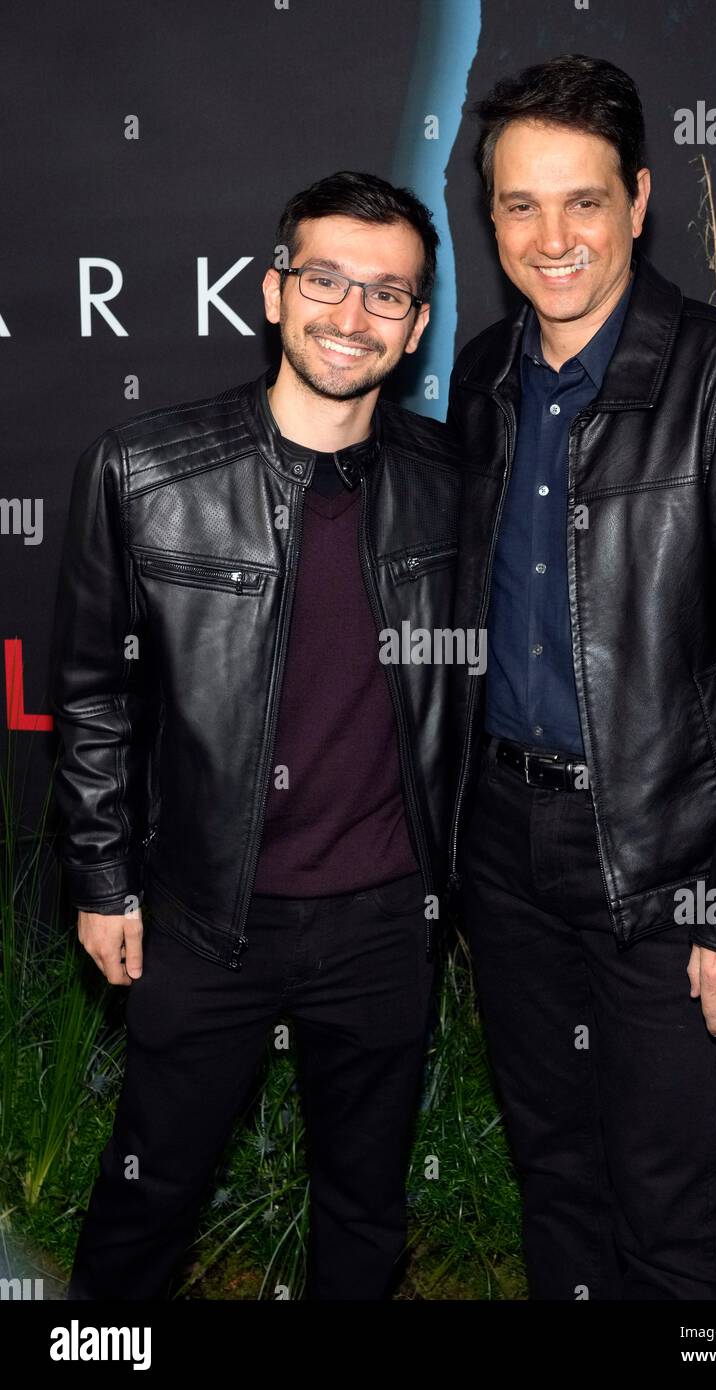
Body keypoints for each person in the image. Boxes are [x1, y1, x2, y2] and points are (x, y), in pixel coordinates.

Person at [445, 53, 716, 1299]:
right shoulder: (482, 381)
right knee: (555, 1176)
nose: (550, 236)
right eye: (519, 204)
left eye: (581, 200)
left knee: (669, 1214)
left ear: (636, 200)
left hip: (671, 864)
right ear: (491, 216)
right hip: (507, 857)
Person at [49, 170, 462, 1300]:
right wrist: (101, 878)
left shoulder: (451, 488)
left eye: (388, 294)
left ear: (417, 324)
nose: (352, 314)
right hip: (201, 917)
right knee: (145, 1204)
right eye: (325, 278)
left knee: (365, 1213)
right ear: (274, 291)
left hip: (385, 921)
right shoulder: (145, 471)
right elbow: (92, 695)